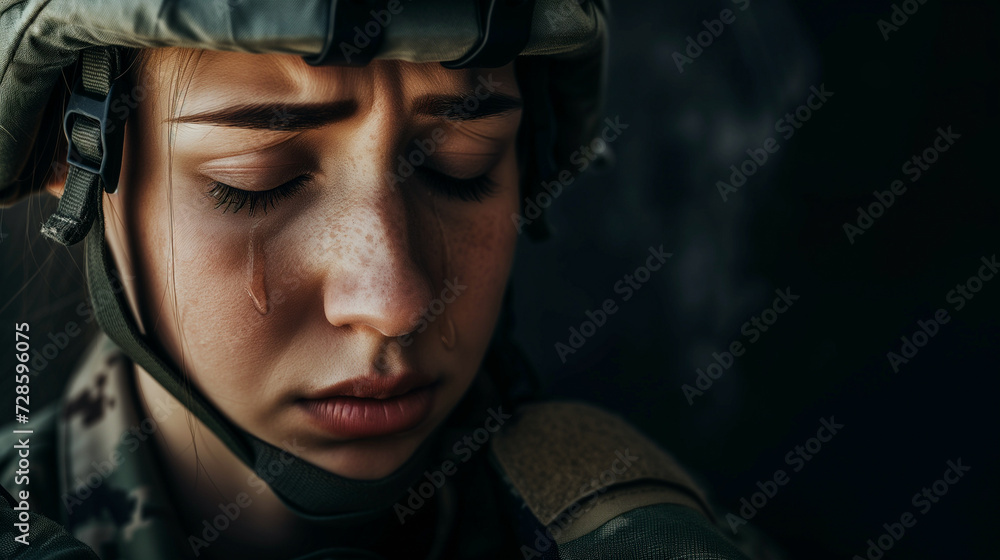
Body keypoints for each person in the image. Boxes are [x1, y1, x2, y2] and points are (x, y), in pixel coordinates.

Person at [0, 1, 780, 558]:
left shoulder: (649, 527)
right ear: (76, 162)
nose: (394, 301)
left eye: (461, 166)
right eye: (257, 181)